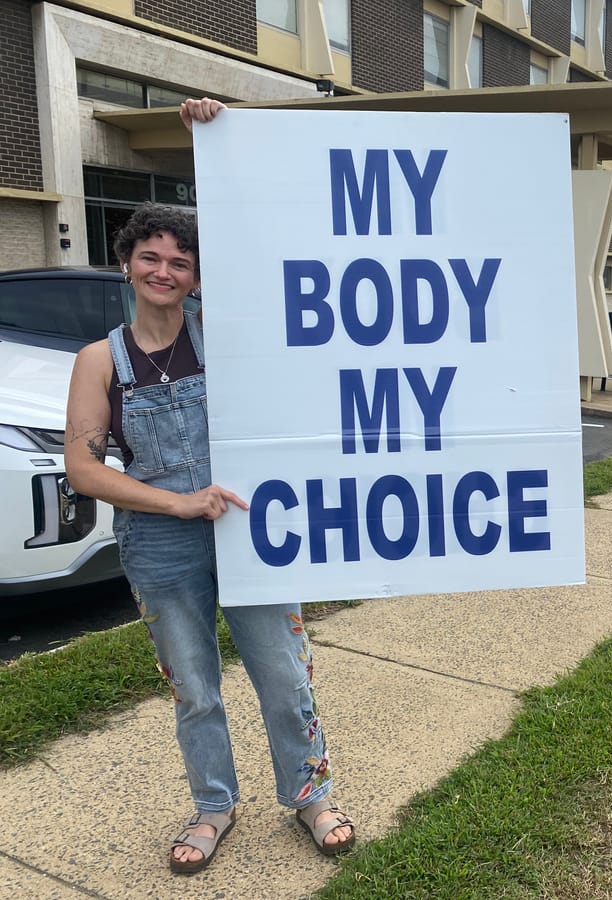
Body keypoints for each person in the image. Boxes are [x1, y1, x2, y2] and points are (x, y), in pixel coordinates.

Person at [64, 97, 354, 874]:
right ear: (126, 262)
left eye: (181, 261)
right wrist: (179, 503)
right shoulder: (100, 361)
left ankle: (311, 795)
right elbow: (84, 468)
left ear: (198, 275)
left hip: (250, 528)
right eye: (149, 257)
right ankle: (214, 806)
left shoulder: (230, 335)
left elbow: (270, 238)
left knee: (285, 674)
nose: (164, 271)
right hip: (160, 542)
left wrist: (217, 141)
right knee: (194, 688)